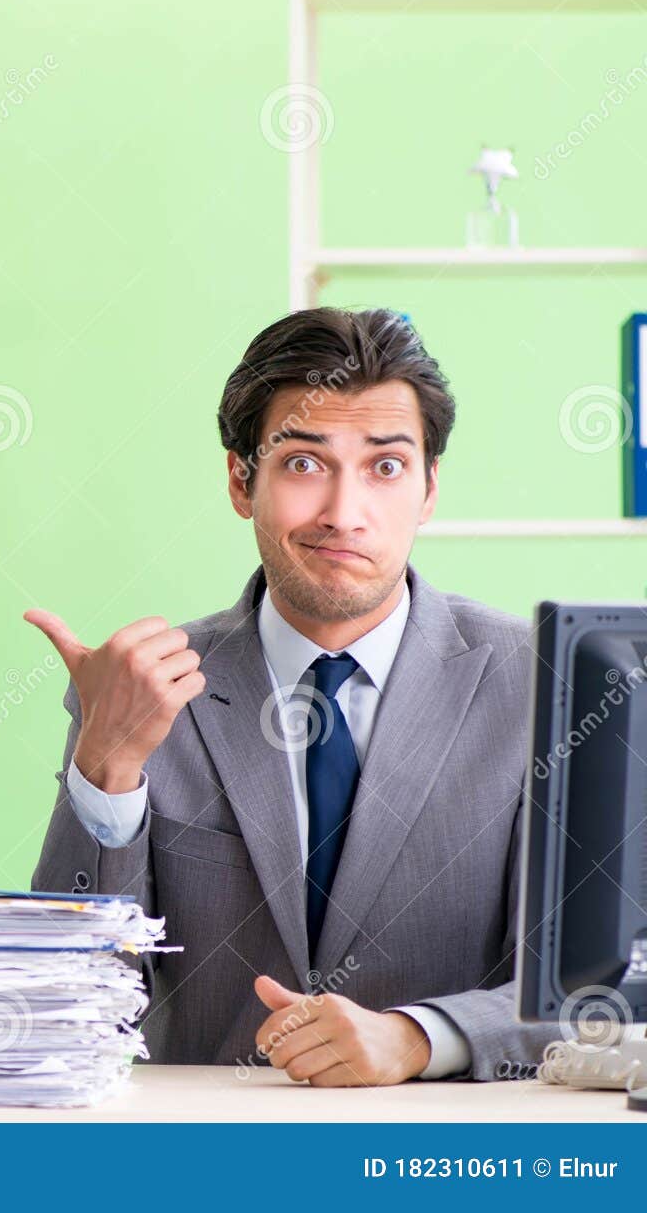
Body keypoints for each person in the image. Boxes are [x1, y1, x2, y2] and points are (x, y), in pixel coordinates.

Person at [28, 307, 560, 1084]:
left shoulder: (546, 683)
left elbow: (596, 986)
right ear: (243, 481)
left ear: (429, 488)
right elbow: (67, 996)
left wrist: (419, 1036)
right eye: (304, 463)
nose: (344, 513)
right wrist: (104, 767)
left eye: (385, 467)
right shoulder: (143, 690)